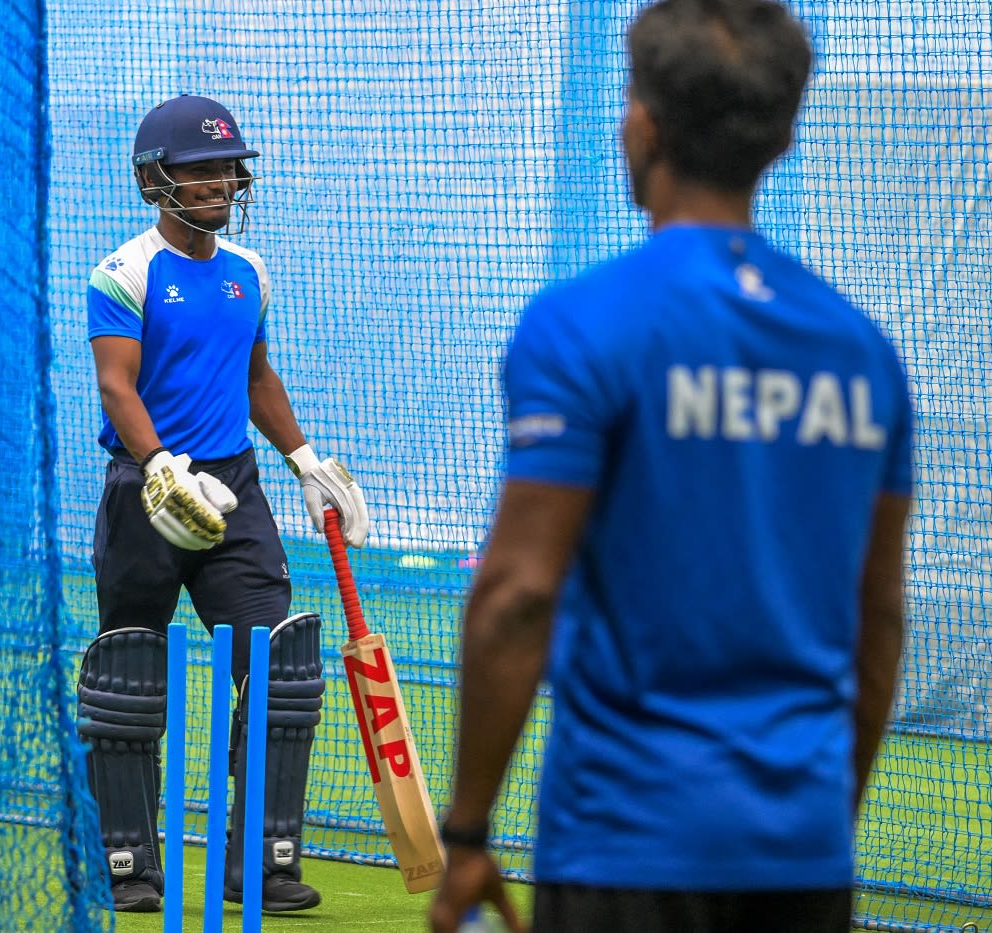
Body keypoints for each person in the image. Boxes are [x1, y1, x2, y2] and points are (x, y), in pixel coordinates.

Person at [429, 1, 912, 931]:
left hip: (624, 845)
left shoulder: (584, 323)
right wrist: (815, 822)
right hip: (803, 854)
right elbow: (879, 616)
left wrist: (469, 828)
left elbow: (517, 595)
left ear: (645, 125)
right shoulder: (862, 353)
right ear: (776, 134)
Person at [76, 94, 369, 914]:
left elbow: (255, 375)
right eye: (199, 168)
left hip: (234, 488)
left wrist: (305, 460)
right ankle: (131, 862)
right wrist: (161, 465)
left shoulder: (248, 274)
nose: (219, 182)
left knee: (278, 668)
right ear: (153, 180)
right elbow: (116, 384)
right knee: (128, 673)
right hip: (150, 490)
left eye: (228, 168)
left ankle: (263, 865)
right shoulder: (124, 273)